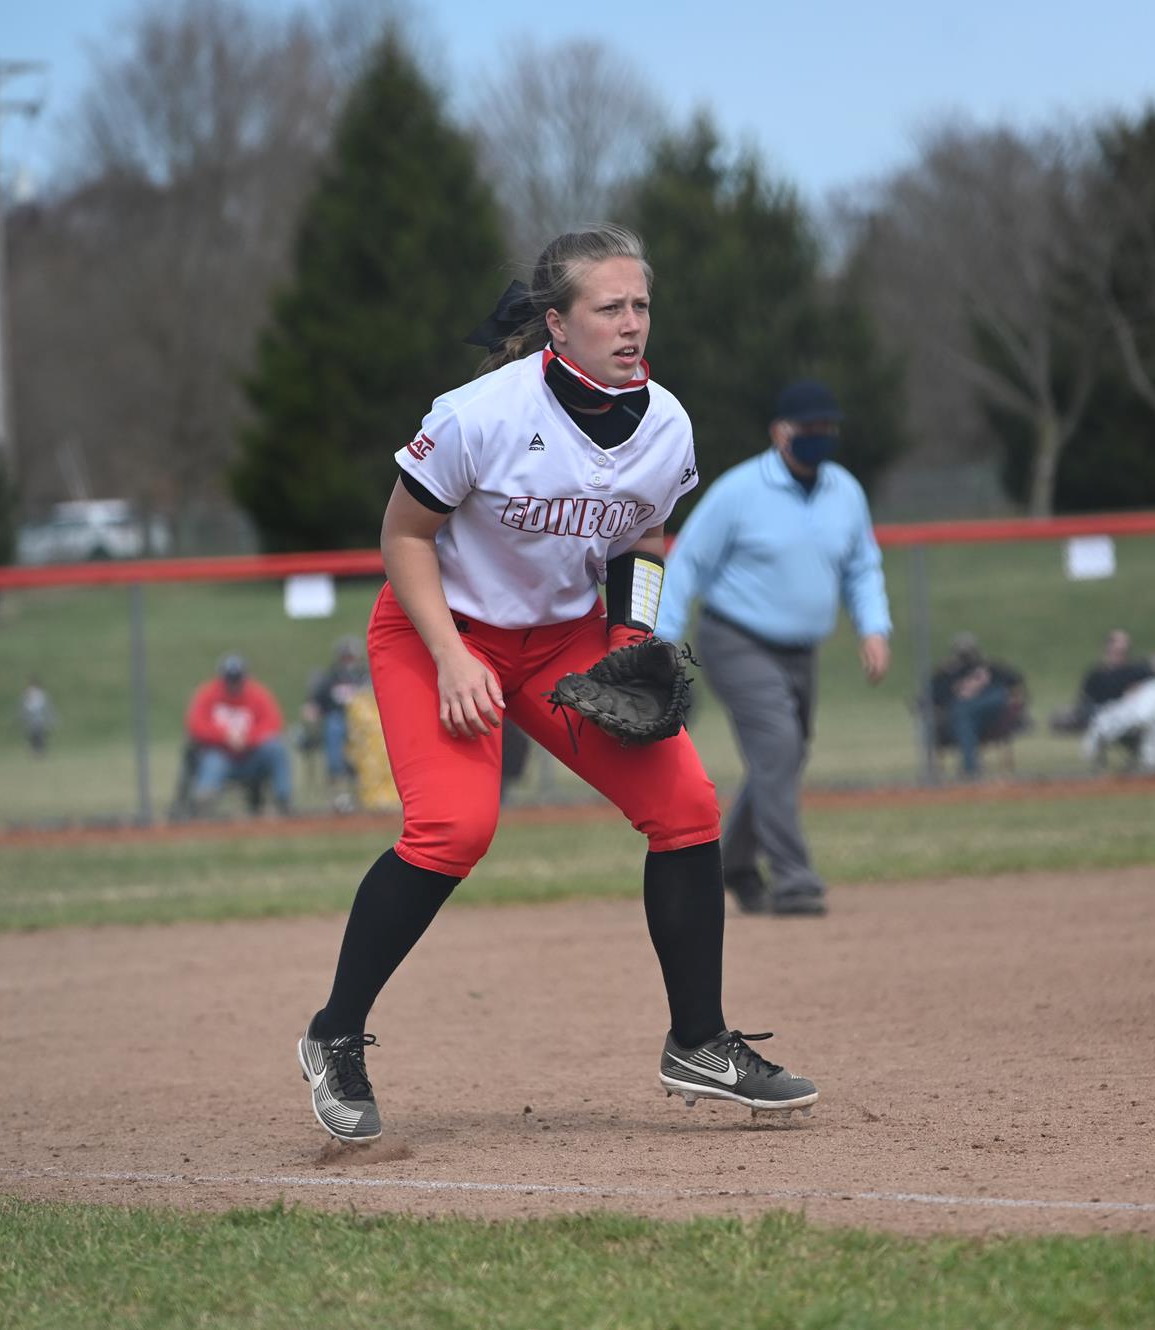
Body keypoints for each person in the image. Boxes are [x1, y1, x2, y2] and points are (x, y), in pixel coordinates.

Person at [297, 225, 817, 1144]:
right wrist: (454, 659)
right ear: (557, 324)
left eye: (640, 305)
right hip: (441, 632)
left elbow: (639, 540)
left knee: (689, 805)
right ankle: (335, 1033)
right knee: (456, 827)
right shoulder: (480, 413)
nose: (630, 324)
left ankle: (698, 1042)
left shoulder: (667, 423)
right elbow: (403, 540)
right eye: (608, 307)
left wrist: (627, 638)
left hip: (566, 642)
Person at [655, 378, 892, 917]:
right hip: (736, 638)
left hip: (801, 650)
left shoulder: (844, 491)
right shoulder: (740, 491)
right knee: (780, 747)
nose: (819, 436)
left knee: (780, 759)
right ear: (778, 432)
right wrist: (662, 639)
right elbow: (687, 562)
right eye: (808, 427)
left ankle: (731, 863)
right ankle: (794, 878)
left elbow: (862, 567)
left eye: (827, 427)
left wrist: (873, 628)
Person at [184, 654, 293, 815]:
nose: (234, 684)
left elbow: (273, 723)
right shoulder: (207, 695)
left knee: (276, 749)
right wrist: (225, 737)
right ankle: (205, 803)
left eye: (237, 679)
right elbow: (196, 725)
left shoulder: (258, 694)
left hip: (252, 756)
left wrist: (247, 739)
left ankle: (283, 799)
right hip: (221, 756)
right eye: (230, 679)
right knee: (213, 760)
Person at [1070, 629, 1155, 772]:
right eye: (1116, 646)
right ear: (1108, 647)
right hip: (1108, 715)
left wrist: (1138, 689)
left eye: (1123, 647)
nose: (1120, 650)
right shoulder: (1096, 675)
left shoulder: (1135, 670)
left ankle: (1153, 759)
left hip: (1137, 716)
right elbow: (1085, 702)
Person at [930, 631, 1025, 779]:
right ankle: (971, 769)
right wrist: (944, 673)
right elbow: (933, 697)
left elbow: (1015, 680)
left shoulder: (989, 667)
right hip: (962, 719)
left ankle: (970, 768)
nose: (966, 656)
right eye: (962, 652)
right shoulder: (947, 674)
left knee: (978, 702)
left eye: (968, 651)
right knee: (962, 712)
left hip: (991, 713)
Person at [302, 638, 370, 813]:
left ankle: (366, 786)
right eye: (345, 657)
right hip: (338, 721)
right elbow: (315, 703)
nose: (348, 661)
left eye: (351, 657)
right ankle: (337, 778)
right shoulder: (331, 678)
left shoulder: (364, 677)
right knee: (334, 725)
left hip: (363, 724)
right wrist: (313, 710)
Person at [20, 676, 55, 757]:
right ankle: (34, 752)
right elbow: (24, 707)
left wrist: (50, 719)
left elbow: (47, 707)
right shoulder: (27, 694)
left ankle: (41, 752)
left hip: (39, 719)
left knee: (40, 736)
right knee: (32, 737)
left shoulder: (41, 695)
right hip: (31, 719)